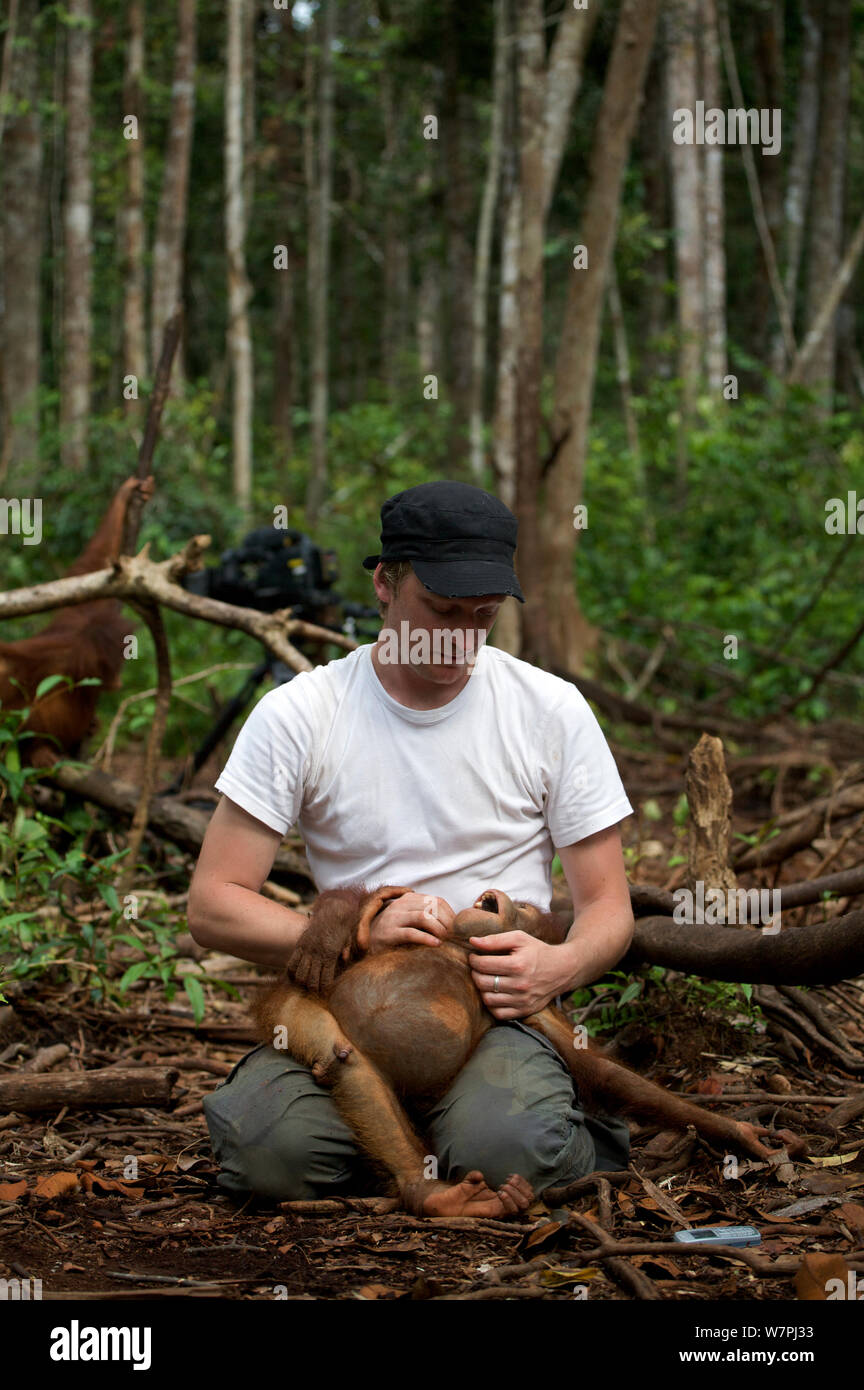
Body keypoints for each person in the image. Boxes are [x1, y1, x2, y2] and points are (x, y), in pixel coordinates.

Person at [189, 481, 635, 1206]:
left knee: (516, 1148)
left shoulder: (549, 709)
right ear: (385, 586)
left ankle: (481, 1132)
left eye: (481, 616)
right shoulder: (303, 714)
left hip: (492, 1010)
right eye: (440, 610)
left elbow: (608, 903)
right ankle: (411, 1145)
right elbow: (214, 905)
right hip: (354, 1009)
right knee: (266, 1157)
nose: (460, 636)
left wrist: (559, 965)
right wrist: (358, 932)